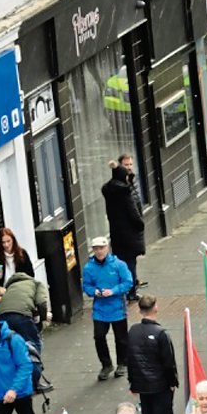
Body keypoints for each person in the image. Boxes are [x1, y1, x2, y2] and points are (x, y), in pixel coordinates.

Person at [81, 235, 132, 381]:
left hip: (118, 307)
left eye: (101, 248)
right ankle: (106, 365)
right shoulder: (89, 268)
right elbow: (86, 286)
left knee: (121, 338)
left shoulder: (119, 265)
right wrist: (95, 292)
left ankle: (122, 363)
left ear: (107, 248)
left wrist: (113, 291)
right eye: (96, 249)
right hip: (100, 309)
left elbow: (128, 282)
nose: (99, 251)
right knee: (99, 337)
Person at [102, 160, 144, 298]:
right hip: (129, 234)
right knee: (131, 263)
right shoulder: (125, 193)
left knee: (120, 262)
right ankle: (131, 291)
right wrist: (140, 225)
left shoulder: (109, 191)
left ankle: (122, 289)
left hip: (116, 233)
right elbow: (133, 212)